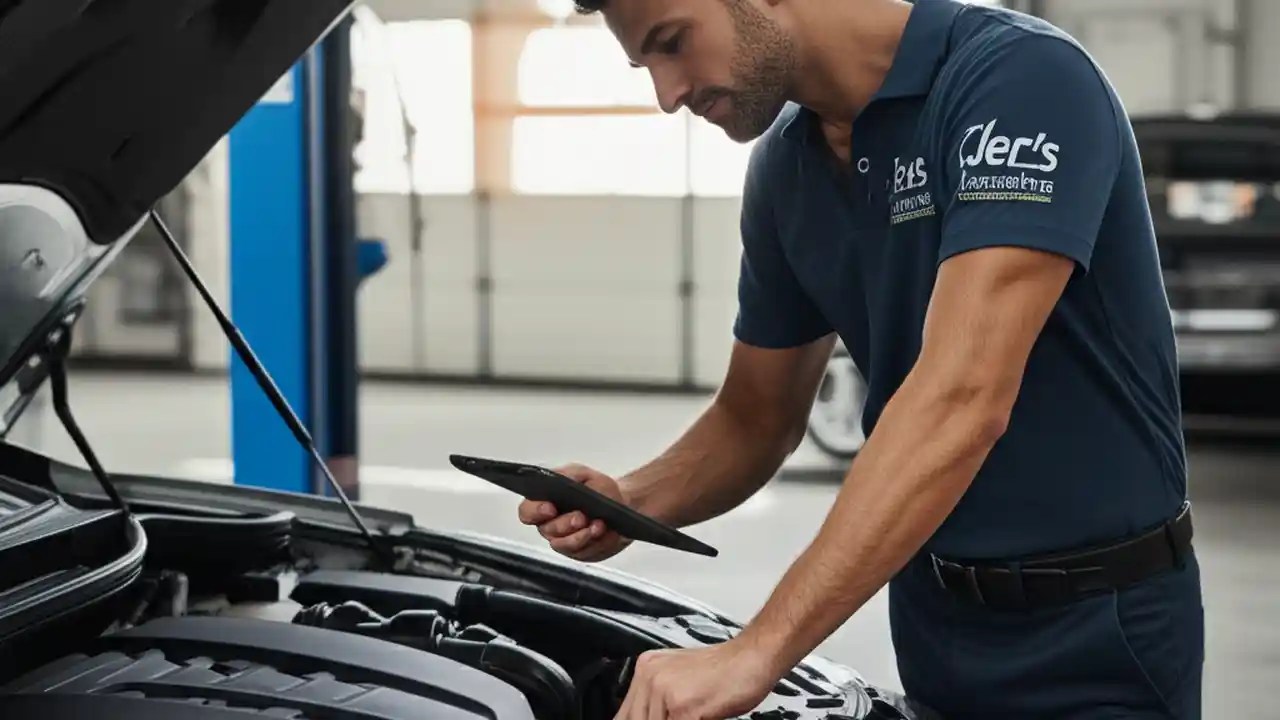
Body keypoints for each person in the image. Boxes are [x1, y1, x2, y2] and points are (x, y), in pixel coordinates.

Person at [516, 0, 1204, 717]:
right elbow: (755, 418)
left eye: (673, 43)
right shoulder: (788, 165)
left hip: (1096, 631)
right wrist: (630, 500)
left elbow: (960, 401)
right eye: (646, 64)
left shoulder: (1020, 82)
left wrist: (756, 652)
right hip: (938, 625)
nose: (668, 95)